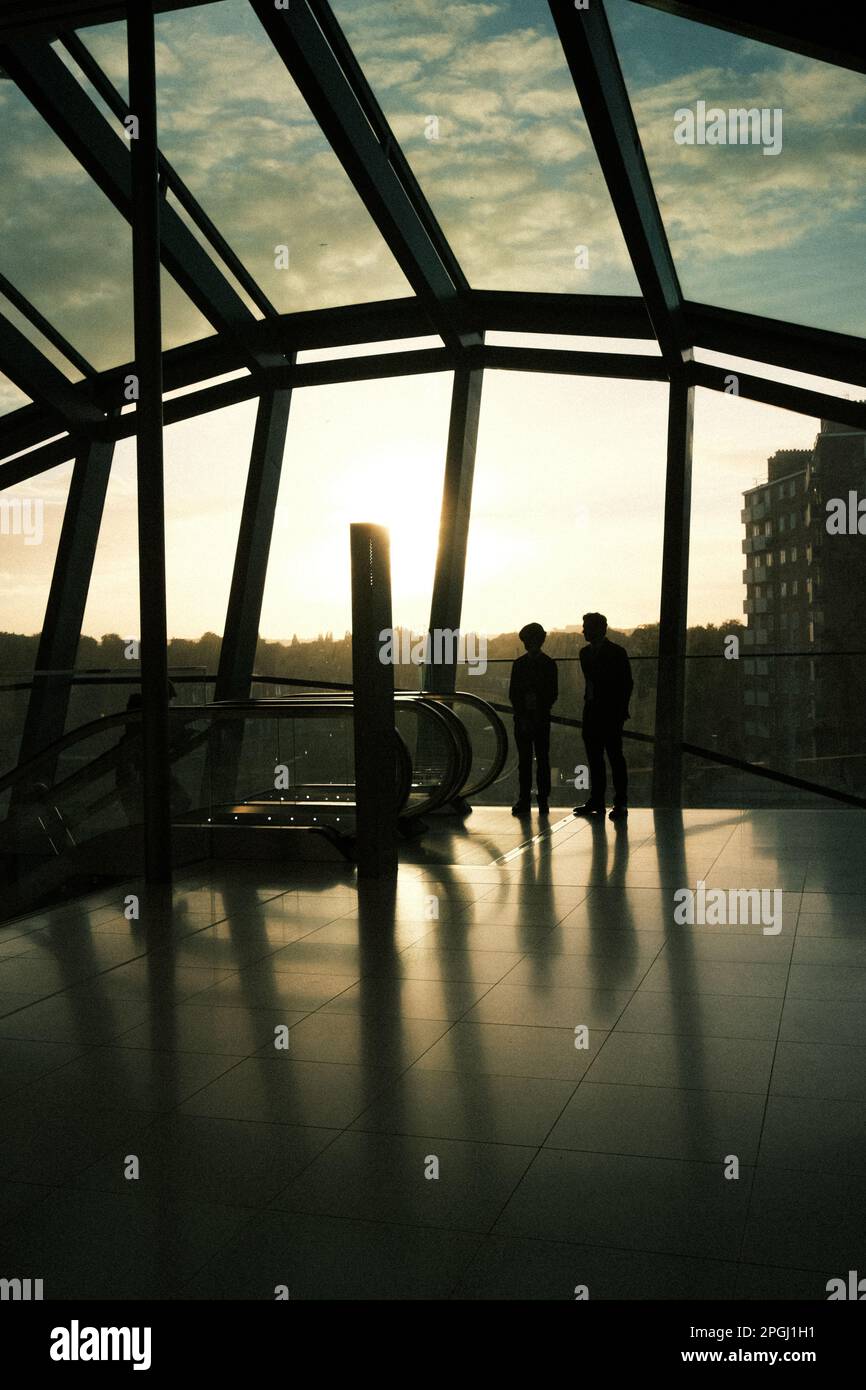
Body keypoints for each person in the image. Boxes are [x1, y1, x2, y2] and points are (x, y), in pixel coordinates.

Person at [573, 612, 633, 822]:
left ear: (596, 629)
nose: (583, 631)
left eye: (586, 627)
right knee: (611, 757)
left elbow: (618, 683)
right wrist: (622, 709)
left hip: (599, 711)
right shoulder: (616, 652)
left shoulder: (586, 654)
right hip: (605, 712)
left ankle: (600, 800)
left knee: (601, 758)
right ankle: (618, 802)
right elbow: (625, 683)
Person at [509, 622, 558, 816]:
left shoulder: (518, 665)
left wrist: (523, 716)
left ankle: (524, 799)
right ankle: (543, 800)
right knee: (542, 759)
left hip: (523, 719)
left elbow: (513, 694)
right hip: (541, 719)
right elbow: (552, 694)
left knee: (525, 761)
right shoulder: (549, 664)